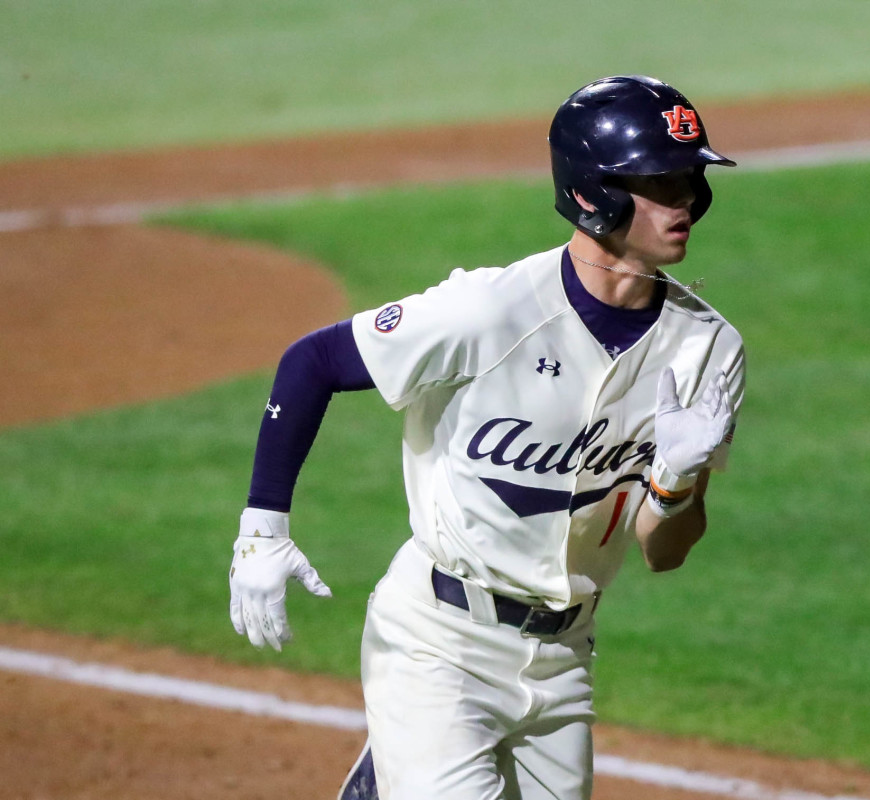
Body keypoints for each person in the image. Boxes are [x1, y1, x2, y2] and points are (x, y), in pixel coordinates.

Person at [227, 74, 747, 800]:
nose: (685, 199)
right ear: (596, 191)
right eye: (658, 180)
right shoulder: (488, 312)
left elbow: (665, 552)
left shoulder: (708, 351)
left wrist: (676, 482)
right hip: (439, 641)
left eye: (690, 178)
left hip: (564, 658)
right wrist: (262, 528)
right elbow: (312, 360)